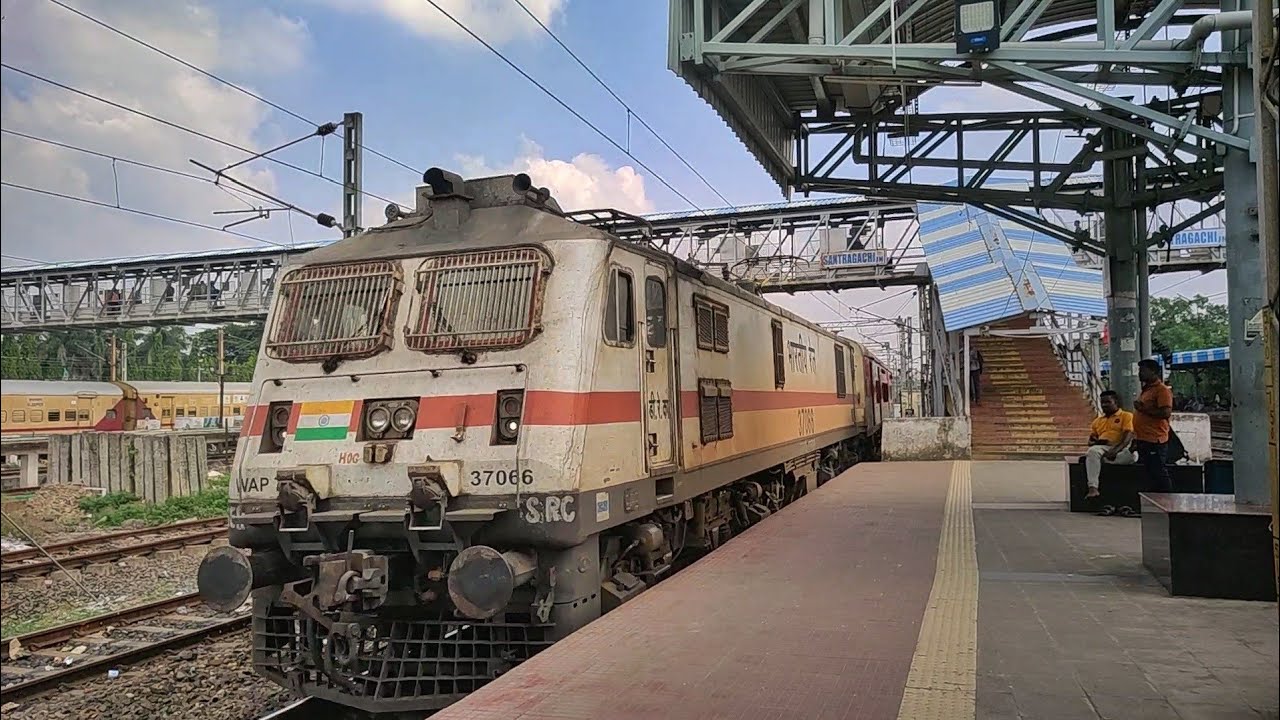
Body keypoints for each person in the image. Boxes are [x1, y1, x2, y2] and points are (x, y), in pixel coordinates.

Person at [1084, 390, 1136, 499]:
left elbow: (1128, 436)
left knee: (1131, 456)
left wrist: (1115, 450)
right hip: (1103, 448)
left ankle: (1102, 462)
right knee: (1092, 452)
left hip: (1121, 448)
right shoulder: (1097, 421)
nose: (1104, 405)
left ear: (1115, 402)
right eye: (1102, 403)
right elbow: (1090, 442)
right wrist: (1098, 442)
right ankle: (1093, 488)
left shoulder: (1126, 416)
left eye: (1108, 402)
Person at [1132, 358, 1174, 492]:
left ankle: (1168, 499)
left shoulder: (1162, 390)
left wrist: (1143, 409)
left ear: (1154, 372)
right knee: (1147, 473)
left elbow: (1165, 412)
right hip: (1143, 438)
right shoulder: (1147, 390)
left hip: (1155, 439)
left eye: (1143, 370)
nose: (1140, 373)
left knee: (1158, 472)